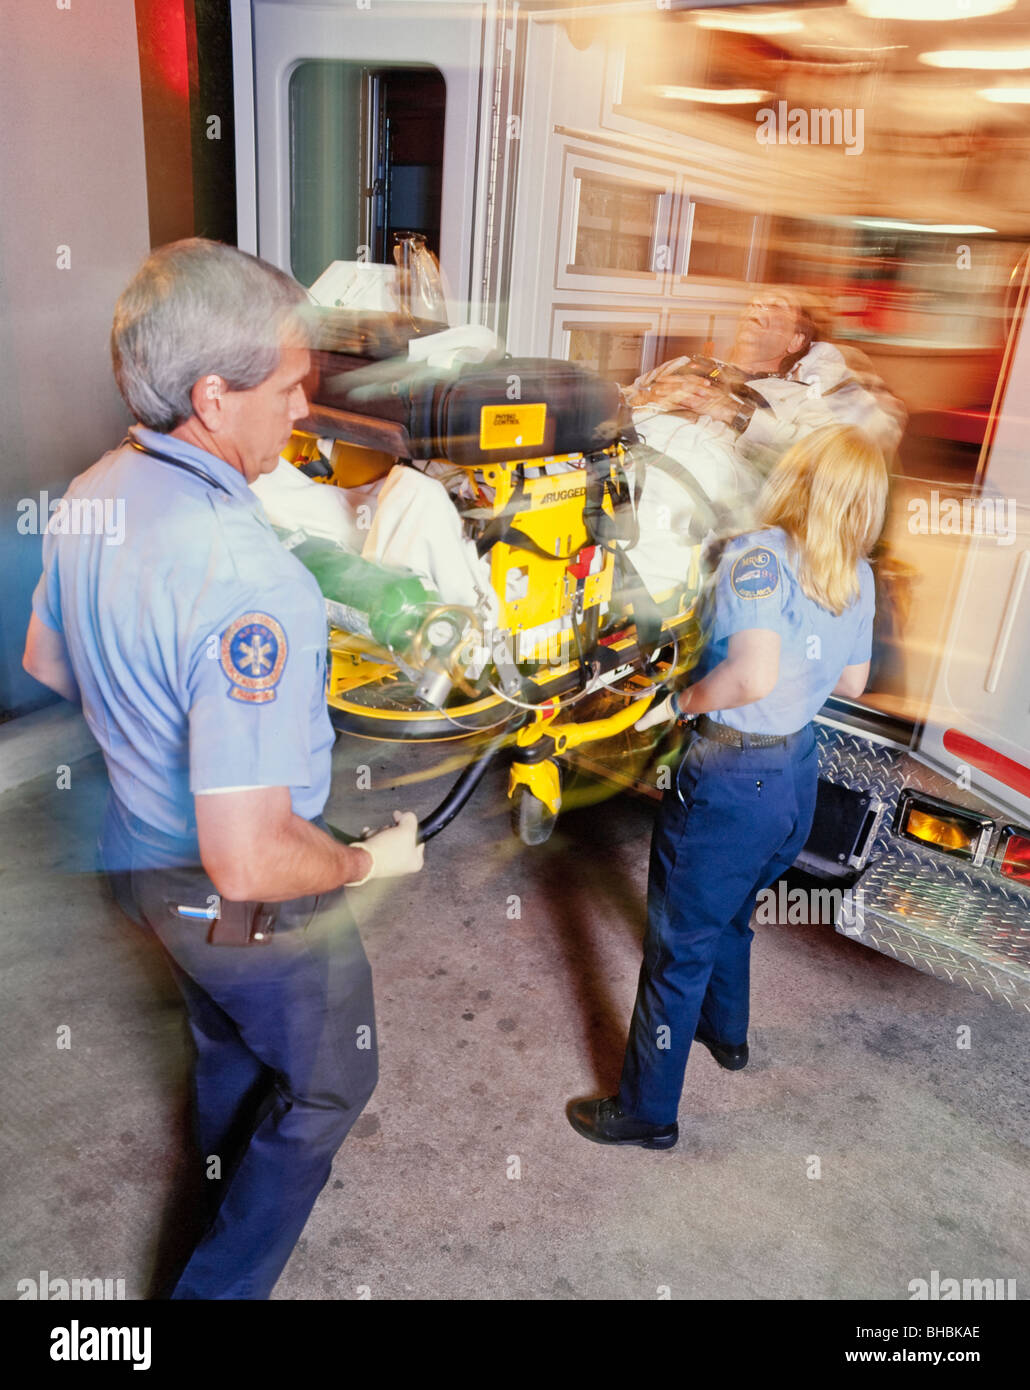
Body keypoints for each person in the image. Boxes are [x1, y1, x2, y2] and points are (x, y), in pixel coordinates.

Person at [22, 237, 424, 1298]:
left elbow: (45, 658)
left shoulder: (93, 491)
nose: (304, 408)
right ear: (214, 394)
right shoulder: (254, 587)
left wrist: (150, 717)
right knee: (335, 1077)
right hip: (233, 902)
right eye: (291, 386)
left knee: (227, 1040)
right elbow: (248, 865)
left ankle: (210, 1180)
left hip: (143, 874)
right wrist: (365, 862)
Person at [567, 423, 888, 1149]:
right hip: (796, 778)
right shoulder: (860, 574)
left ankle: (647, 1114)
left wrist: (677, 702)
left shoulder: (759, 556)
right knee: (736, 911)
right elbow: (853, 681)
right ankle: (727, 1035)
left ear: (800, 479)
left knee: (678, 950)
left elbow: (752, 676)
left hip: (732, 778)